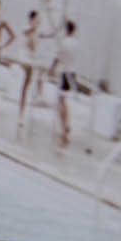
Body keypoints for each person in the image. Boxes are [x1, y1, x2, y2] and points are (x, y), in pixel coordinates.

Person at [53, 18, 78, 148]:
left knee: (60, 100)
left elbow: (58, 57)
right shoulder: (76, 43)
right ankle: (65, 125)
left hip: (64, 72)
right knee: (64, 100)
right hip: (73, 72)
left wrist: (52, 69)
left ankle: (64, 127)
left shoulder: (64, 42)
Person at [16, 8, 42, 124]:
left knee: (30, 83)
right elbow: (27, 31)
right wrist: (34, 26)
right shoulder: (27, 28)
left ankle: (25, 109)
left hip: (31, 58)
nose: (38, 21)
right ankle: (21, 114)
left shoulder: (36, 32)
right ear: (31, 19)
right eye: (36, 19)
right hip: (25, 58)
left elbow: (43, 35)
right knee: (25, 85)